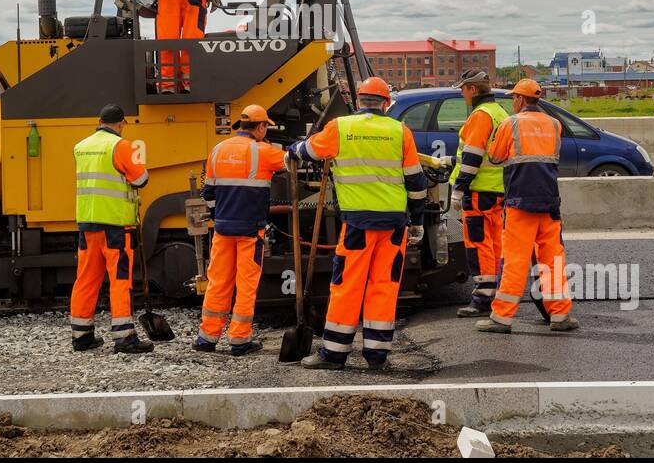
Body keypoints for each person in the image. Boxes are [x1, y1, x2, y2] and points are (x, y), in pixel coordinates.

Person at [286, 77, 428, 370]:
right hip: (393, 225)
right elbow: (416, 182)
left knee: (347, 286)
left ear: (359, 101)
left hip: (357, 225)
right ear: (386, 104)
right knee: (384, 287)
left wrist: (293, 150)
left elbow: (307, 151)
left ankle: (334, 354)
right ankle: (377, 356)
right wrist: (417, 219)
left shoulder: (341, 127)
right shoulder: (401, 132)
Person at [478, 79, 577, 334]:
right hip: (549, 201)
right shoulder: (554, 124)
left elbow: (496, 156)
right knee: (553, 260)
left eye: (514, 99)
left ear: (520, 100)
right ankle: (560, 316)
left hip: (520, 202)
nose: (513, 103)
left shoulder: (510, 124)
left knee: (514, 260)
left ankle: (501, 318)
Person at [194, 104, 287, 355]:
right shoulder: (264, 151)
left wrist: (219, 215)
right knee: (246, 284)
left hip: (223, 229)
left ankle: (207, 338)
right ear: (260, 127)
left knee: (218, 281)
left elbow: (208, 192)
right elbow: (291, 160)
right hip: (249, 230)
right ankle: (239, 339)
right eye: (265, 126)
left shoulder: (217, 149)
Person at [70, 104, 152, 353]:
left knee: (85, 279)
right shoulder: (121, 145)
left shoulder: (81, 147)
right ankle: (125, 337)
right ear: (121, 123)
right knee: (119, 279)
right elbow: (141, 178)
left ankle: (81, 336)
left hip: (87, 223)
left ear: (100, 120)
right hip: (115, 225)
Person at [449, 69, 508, 318]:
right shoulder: (500, 113)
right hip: (497, 190)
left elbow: (472, 157)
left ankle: (482, 298)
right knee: (495, 244)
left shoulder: (480, 115)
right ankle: (495, 292)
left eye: (463, 89)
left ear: (472, 89)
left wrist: (459, 188)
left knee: (479, 243)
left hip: (477, 191)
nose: (462, 94)